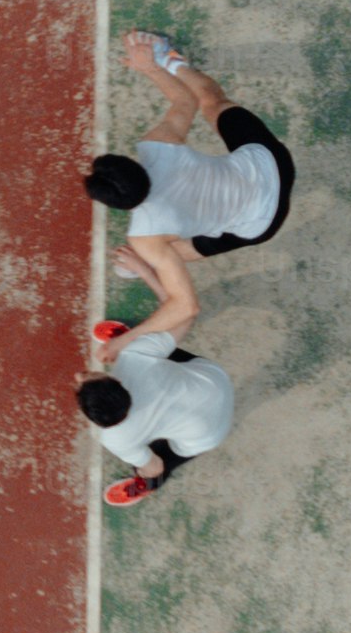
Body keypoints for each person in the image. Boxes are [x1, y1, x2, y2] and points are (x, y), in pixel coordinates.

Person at [81, 33, 288, 342]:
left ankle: (143, 265)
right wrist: (150, 67)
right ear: (132, 162)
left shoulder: (146, 235)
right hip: (272, 164)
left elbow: (187, 307)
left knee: (166, 253)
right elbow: (186, 100)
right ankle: (169, 59)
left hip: (263, 220)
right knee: (212, 103)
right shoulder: (157, 146)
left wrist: (123, 340)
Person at [79, 328, 233, 508]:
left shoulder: (117, 438)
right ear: (116, 381)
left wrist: (146, 471)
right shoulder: (133, 357)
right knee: (148, 345)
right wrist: (126, 343)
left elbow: (155, 468)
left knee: (150, 469)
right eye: (87, 377)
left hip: (210, 434)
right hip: (214, 379)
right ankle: (128, 337)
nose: (77, 376)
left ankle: (146, 486)